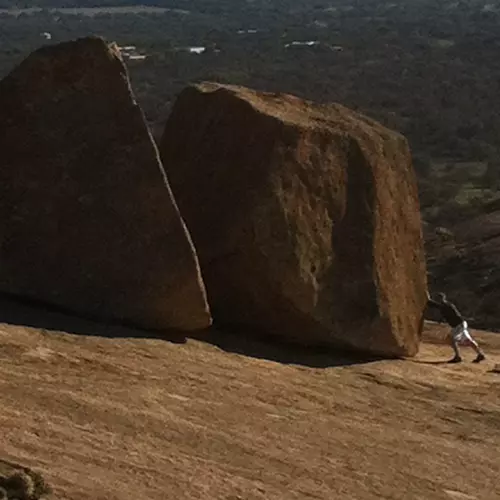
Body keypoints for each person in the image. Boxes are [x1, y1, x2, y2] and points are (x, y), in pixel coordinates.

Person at [427, 292, 485, 363]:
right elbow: (437, 307)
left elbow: (433, 304)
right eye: (438, 299)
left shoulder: (447, 306)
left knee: (451, 338)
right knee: (468, 341)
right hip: (460, 324)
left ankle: (457, 357)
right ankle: (480, 354)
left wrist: (427, 296)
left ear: (443, 299)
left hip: (459, 325)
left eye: (439, 299)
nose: (439, 300)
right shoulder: (445, 306)